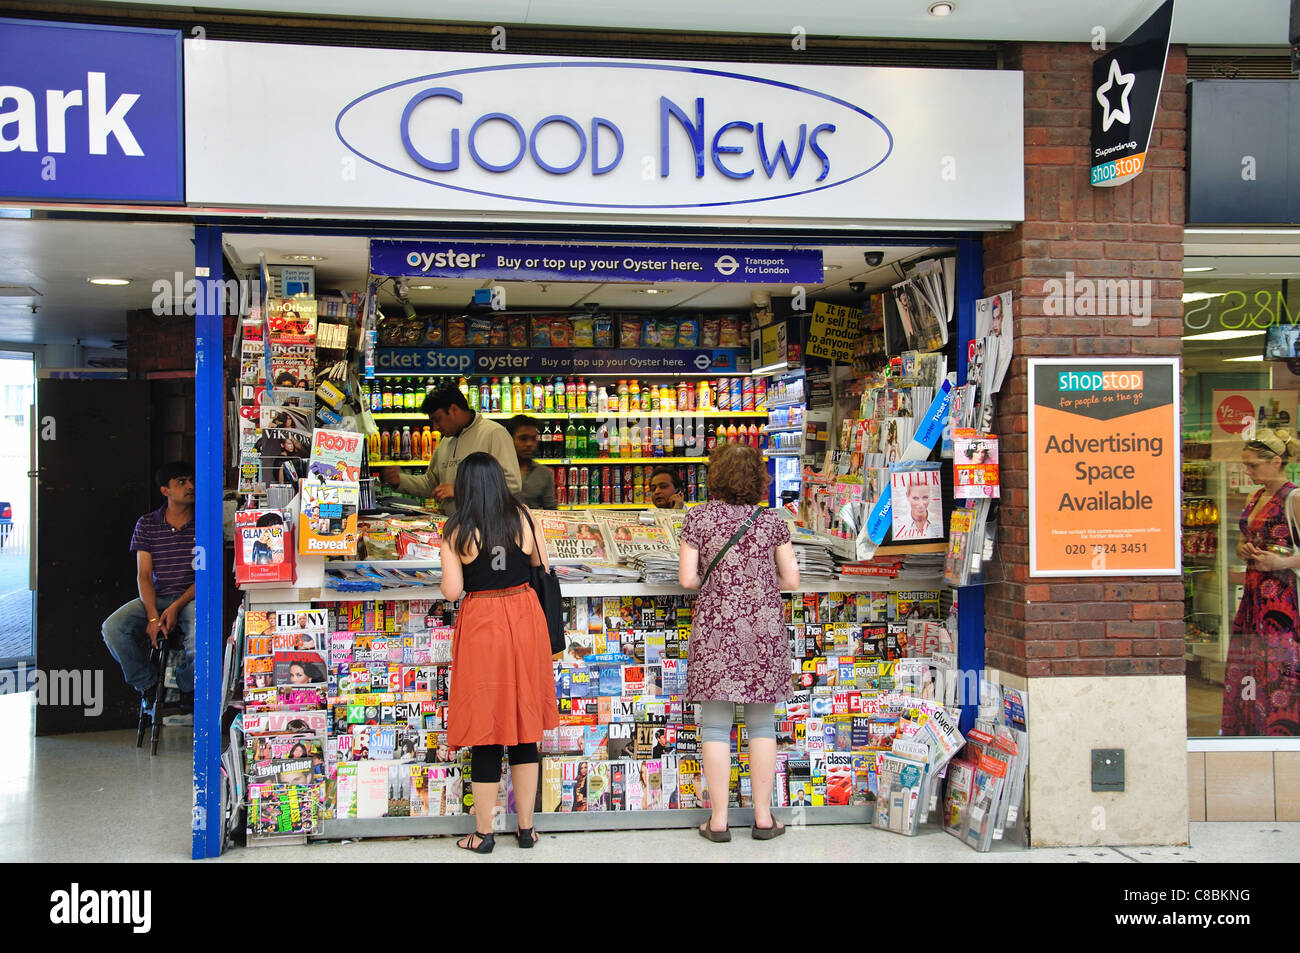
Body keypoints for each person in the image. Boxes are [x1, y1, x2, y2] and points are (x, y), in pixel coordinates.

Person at [437, 452, 559, 853]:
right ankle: (526, 829)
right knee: (525, 729)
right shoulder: (523, 516)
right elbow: (542, 564)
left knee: (486, 730)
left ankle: (484, 833)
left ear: (467, 486)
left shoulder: (456, 528)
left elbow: (453, 592)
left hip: (483, 624)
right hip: (525, 616)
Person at [678, 443, 799, 841]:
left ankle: (718, 822)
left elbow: (687, 580)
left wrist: (717, 588)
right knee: (762, 725)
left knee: (715, 727)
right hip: (763, 628)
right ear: (758, 479)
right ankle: (764, 819)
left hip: (716, 629)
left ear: (715, 475)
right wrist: (760, 588)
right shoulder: (772, 522)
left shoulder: (698, 519)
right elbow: (791, 581)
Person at [102, 462, 197, 716]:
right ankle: (149, 684)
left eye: (191, 481)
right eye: (181, 482)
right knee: (112, 628)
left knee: (200, 639)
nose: (190, 486)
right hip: (157, 596)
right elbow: (143, 575)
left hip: (189, 598)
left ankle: (185, 686)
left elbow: (204, 578)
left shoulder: (202, 524)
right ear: (166, 490)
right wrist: (153, 615)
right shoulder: (147, 524)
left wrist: (176, 607)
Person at [1222, 429, 1300, 736]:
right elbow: (1246, 537)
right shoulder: (1257, 495)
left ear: (1276, 462)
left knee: (1277, 664)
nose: (1247, 470)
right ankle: (1252, 728)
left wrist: (1281, 562)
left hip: (1281, 597)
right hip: (1256, 593)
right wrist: (1244, 549)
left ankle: (1279, 730)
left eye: (1253, 464)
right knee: (1253, 663)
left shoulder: (1293, 498)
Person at [380, 386, 521, 515]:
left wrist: (459, 490)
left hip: (484, 531)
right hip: (450, 527)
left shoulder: (494, 433)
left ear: (453, 409)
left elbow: (512, 484)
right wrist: (400, 481)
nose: (435, 427)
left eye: (438, 419)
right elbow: (431, 484)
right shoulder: (446, 441)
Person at [506, 414, 556, 509]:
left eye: (534, 439)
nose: (530, 444)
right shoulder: (497, 470)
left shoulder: (543, 473)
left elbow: (551, 510)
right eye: (523, 439)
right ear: (509, 439)